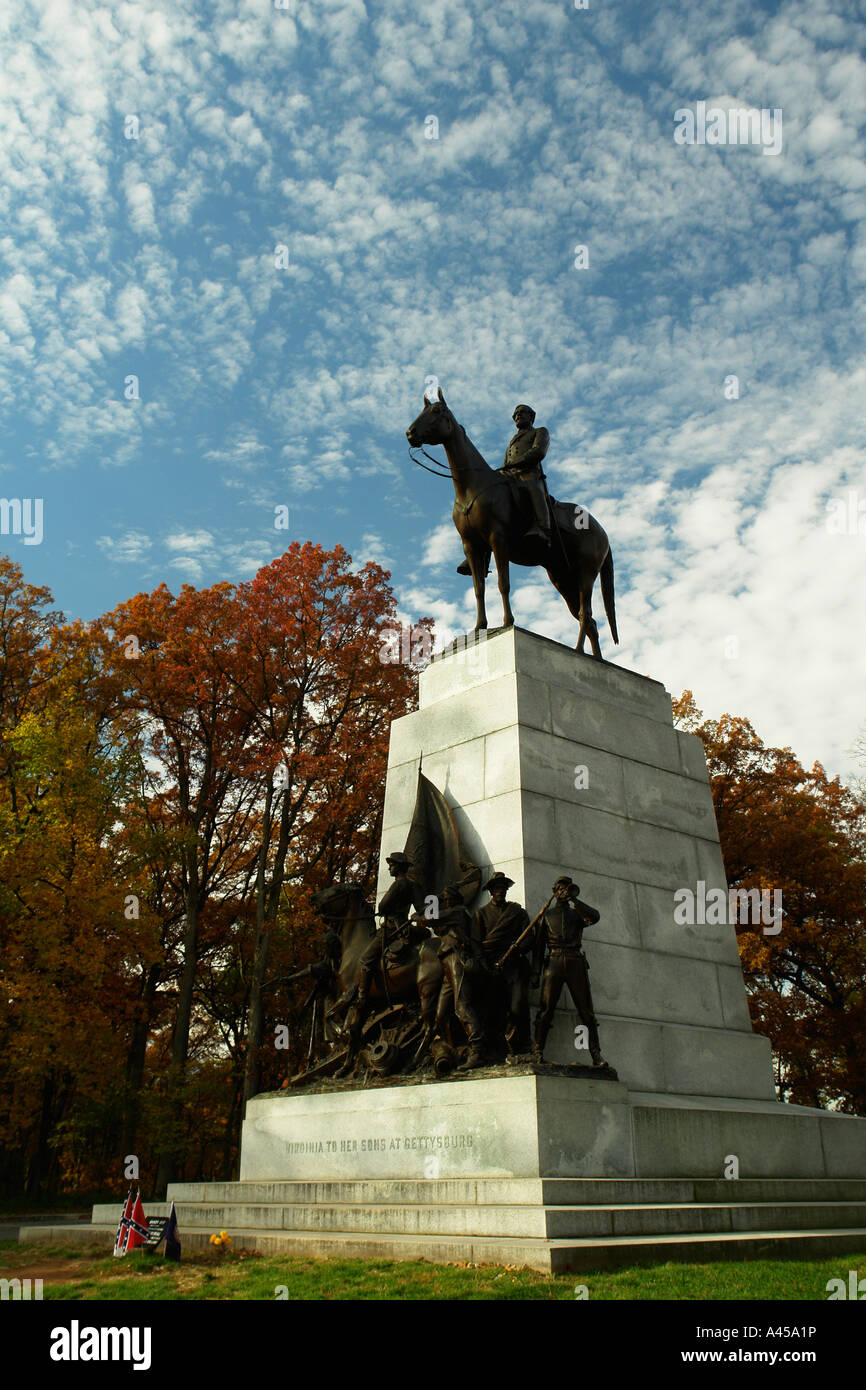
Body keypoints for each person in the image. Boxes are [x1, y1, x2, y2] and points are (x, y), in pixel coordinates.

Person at [457, 404, 551, 576]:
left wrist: (519, 462)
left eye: (522, 413)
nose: (518, 416)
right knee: (490, 505)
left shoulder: (540, 432)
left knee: (533, 489)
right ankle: (482, 556)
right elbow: (506, 463)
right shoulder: (512, 441)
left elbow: (538, 451)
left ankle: (542, 528)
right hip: (510, 477)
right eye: (516, 414)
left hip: (529, 473)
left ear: (531, 417)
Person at [532, 875, 606, 1067]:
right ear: (555, 892)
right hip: (553, 961)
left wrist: (575, 899)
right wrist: (535, 973)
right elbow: (538, 947)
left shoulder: (577, 914)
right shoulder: (546, 915)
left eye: (567, 888)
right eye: (560, 888)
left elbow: (595, 917)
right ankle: (538, 1051)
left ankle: (596, 1054)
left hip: (575, 962)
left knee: (586, 1011)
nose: (563, 891)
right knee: (545, 1010)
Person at [473, 871, 533, 1055]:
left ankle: (522, 1046)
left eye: (503, 888)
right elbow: (476, 943)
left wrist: (517, 950)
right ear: (491, 891)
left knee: (518, 1007)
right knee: (493, 1010)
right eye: (497, 888)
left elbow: (529, 938)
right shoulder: (481, 914)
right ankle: (496, 1049)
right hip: (491, 968)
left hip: (514, 966)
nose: (500, 891)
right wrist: (485, 965)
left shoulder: (518, 913)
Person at [433, 882, 486, 1069]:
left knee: (462, 1007)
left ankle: (477, 1051)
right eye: (445, 900)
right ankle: (453, 1050)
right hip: (446, 963)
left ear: (456, 900)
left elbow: (431, 918)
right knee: (440, 1014)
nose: (447, 902)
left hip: (457, 960)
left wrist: (426, 907)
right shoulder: (452, 916)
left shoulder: (458, 912)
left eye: (449, 899)